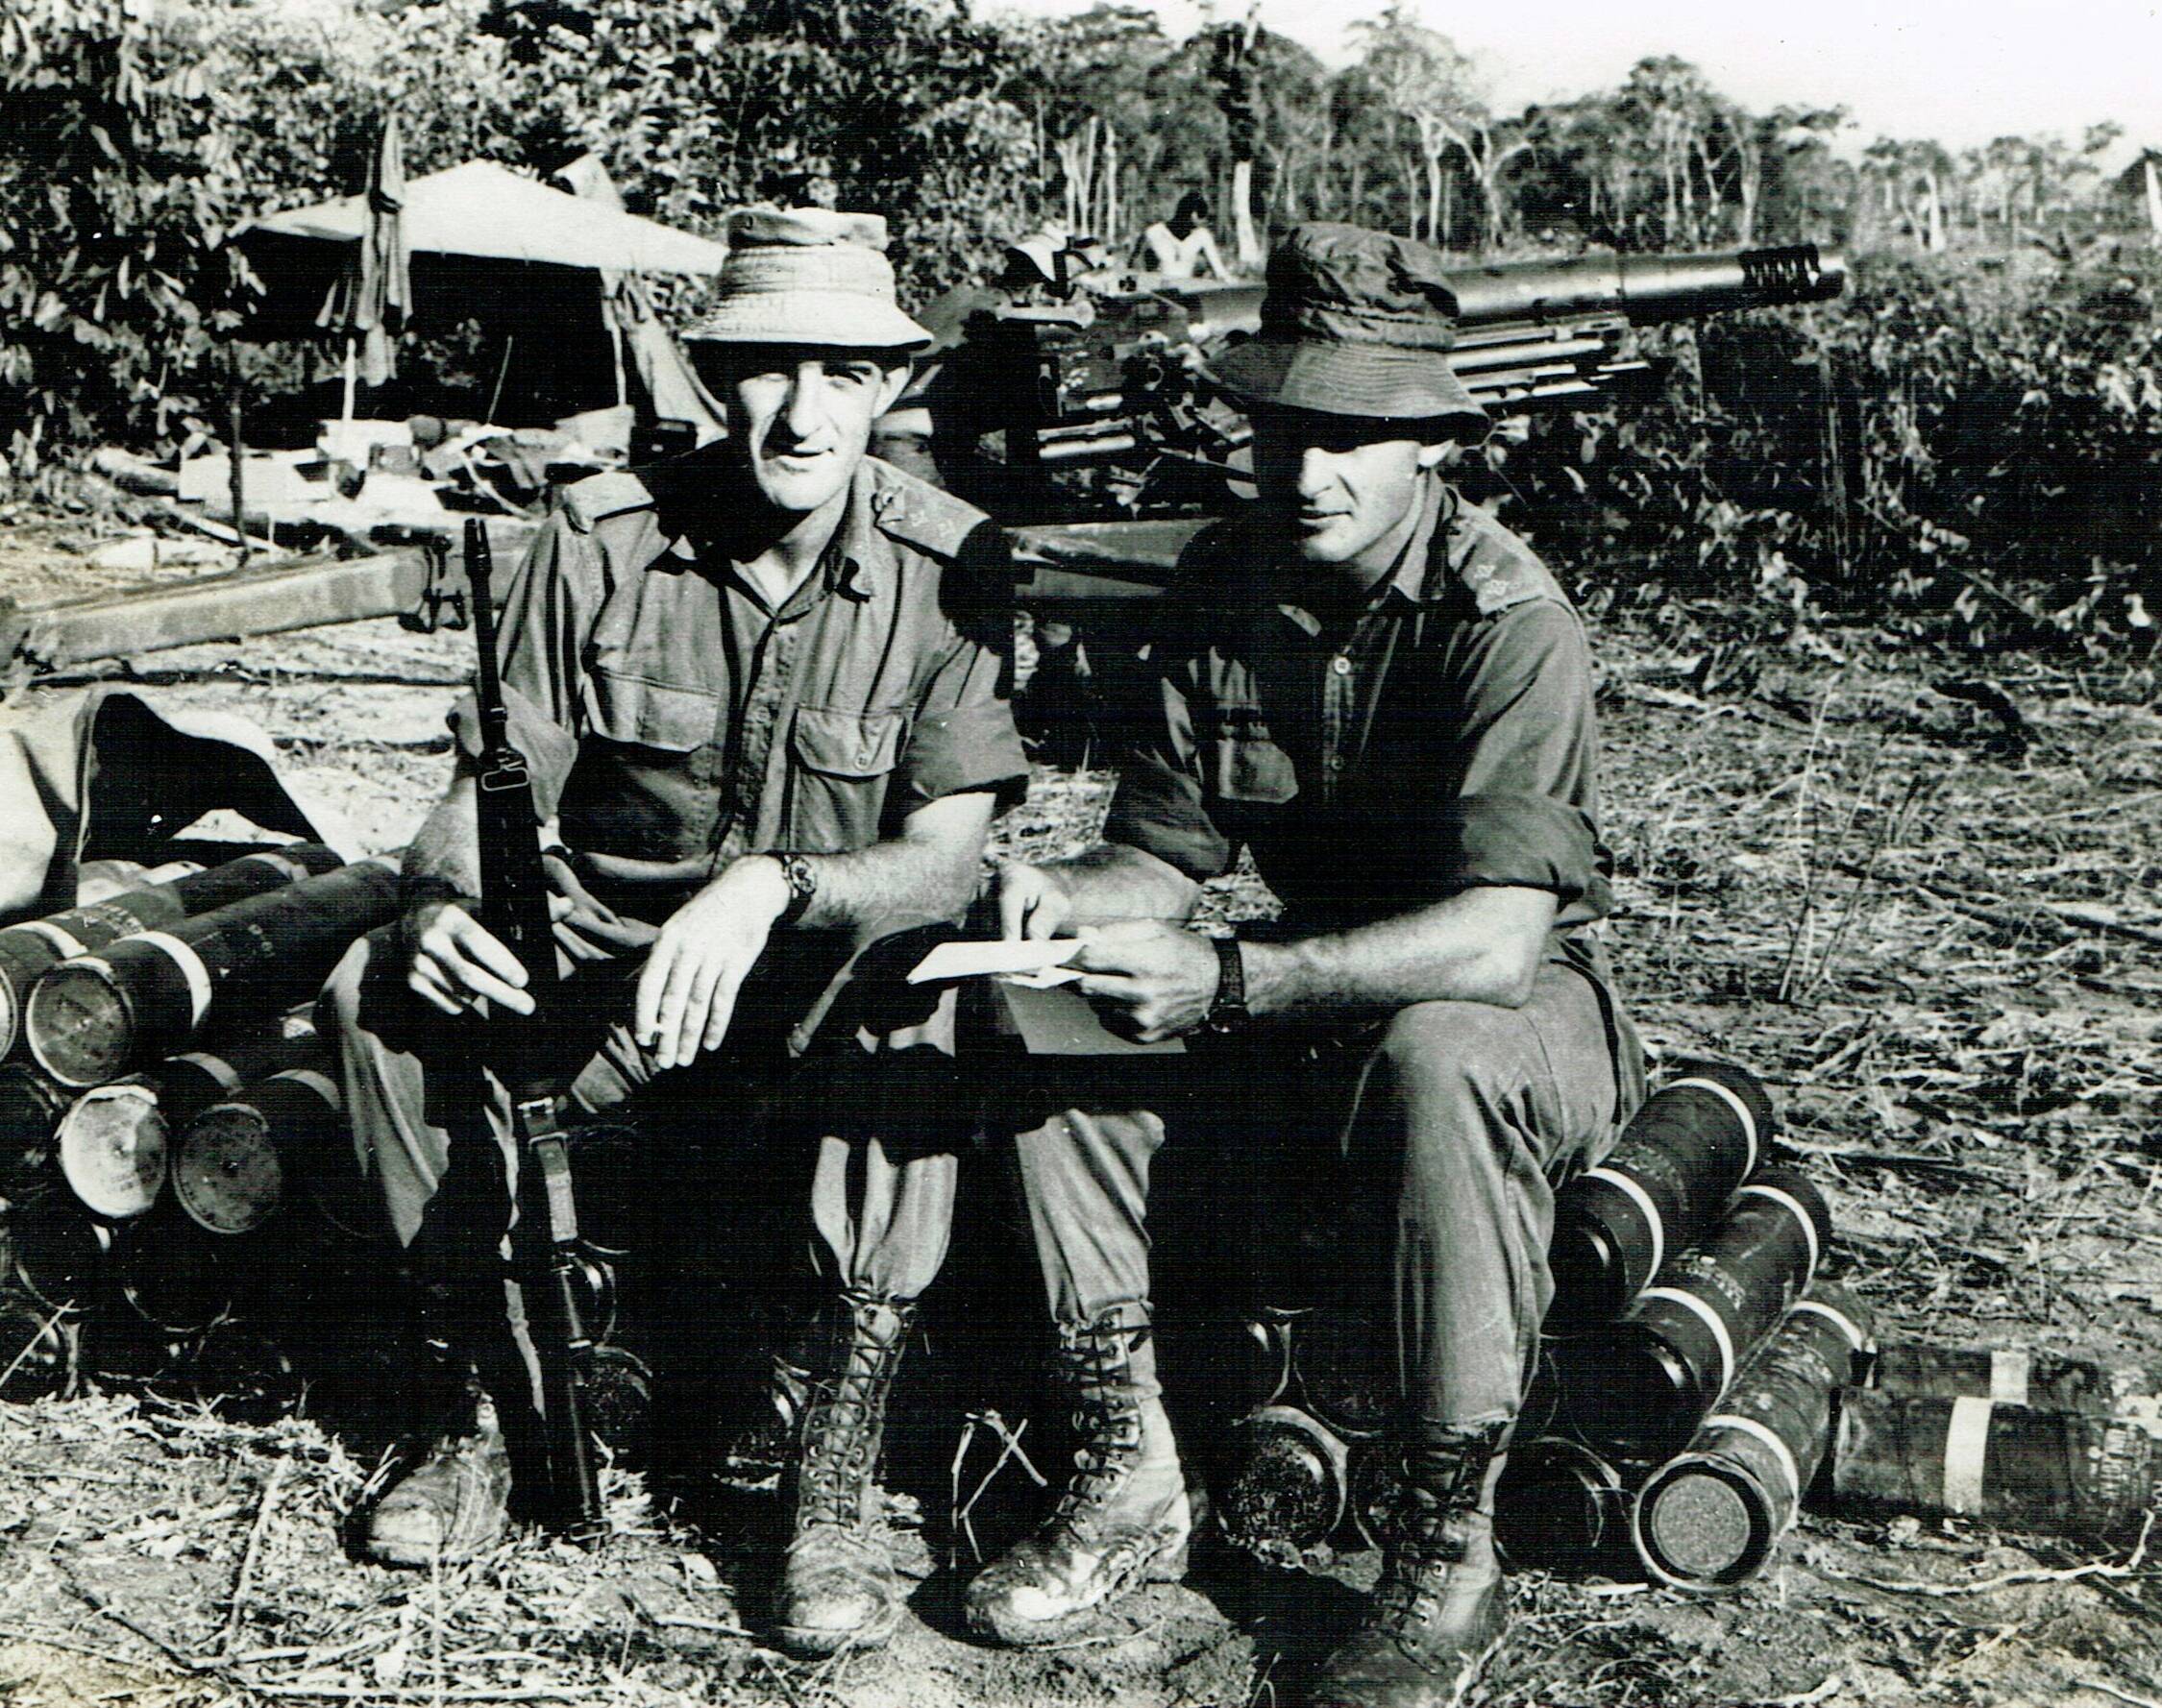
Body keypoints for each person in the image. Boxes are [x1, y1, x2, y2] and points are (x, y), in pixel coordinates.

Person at [322, 208, 1028, 1661]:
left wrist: (778, 883)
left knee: (933, 1009)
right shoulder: (596, 545)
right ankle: (472, 1396)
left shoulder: (945, 568)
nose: (804, 410)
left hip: (811, 995)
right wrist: (439, 900)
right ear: (715, 378)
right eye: (770, 369)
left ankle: (828, 1467)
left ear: (889, 390)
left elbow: (947, 859)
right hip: (604, 992)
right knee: (374, 991)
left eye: (843, 373)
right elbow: (480, 795)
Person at [965, 222, 1645, 1708]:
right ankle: (1127, 1463)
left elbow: (1497, 936)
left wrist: (1224, 983)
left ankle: (1443, 1551)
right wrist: (1057, 899)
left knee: (1438, 1052)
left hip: (1514, 1011)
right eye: (1286, 430)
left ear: (1427, 446)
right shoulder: (1226, 582)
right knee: (1040, 1004)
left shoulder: (1507, 620)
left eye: (1353, 436)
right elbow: (1161, 854)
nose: (1309, 471)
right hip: (1294, 983)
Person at [1135, 190, 1232, 281]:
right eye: (1202, 216)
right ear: (1192, 215)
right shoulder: (1154, 232)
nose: (1204, 221)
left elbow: (1220, 271)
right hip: (1157, 290)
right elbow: (1133, 265)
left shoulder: (1201, 236)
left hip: (1187, 290)